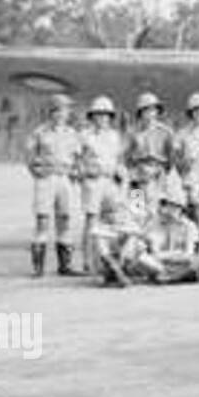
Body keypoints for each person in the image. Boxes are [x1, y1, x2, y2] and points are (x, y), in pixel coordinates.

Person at [26, 93, 83, 277]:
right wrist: (37, 170)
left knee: (64, 219)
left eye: (66, 110)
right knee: (42, 220)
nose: (62, 114)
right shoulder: (40, 132)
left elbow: (78, 156)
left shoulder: (72, 133)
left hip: (64, 178)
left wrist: (75, 171)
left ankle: (64, 265)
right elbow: (29, 154)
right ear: (51, 112)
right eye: (58, 110)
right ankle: (38, 267)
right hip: (47, 178)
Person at [78, 95, 125, 273]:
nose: (102, 118)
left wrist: (121, 175)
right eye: (98, 114)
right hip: (93, 182)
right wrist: (85, 173)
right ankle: (87, 261)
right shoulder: (84, 136)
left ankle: (111, 258)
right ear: (92, 117)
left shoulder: (115, 136)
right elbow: (76, 161)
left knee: (115, 218)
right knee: (91, 221)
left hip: (112, 182)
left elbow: (118, 159)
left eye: (106, 115)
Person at [135, 181, 199, 284]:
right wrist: (174, 254)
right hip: (162, 264)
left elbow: (189, 254)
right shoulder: (155, 223)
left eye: (174, 206)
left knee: (198, 259)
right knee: (142, 258)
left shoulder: (189, 226)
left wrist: (170, 256)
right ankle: (173, 276)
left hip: (181, 262)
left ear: (181, 209)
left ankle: (170, 276)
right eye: (168, 205)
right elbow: (155, 253)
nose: (169, 209)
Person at [125, 91, 175, 173]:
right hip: (139, 173)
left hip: (160, 173)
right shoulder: (133, 134)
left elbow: (172, 159)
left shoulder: (166, 132)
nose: (150, 114)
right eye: (146, 111)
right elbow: (127, 159)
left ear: (157, 112)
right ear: (141, 113)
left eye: (152, 110)